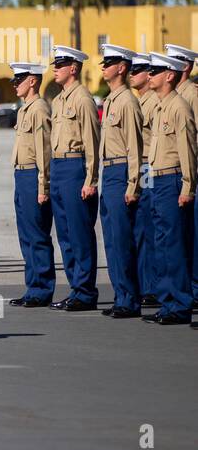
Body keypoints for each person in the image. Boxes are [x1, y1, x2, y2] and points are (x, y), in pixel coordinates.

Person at [142, 52, 195, 325]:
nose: (150, 75)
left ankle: (180, 304)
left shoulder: (179, 107)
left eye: (156, 71)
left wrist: (188, 186)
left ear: (170, 75)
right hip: (157, 179)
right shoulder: (162, 106)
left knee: (173, 244)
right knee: (161, 243)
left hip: (173, 180)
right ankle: (167, 302)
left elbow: (187, 151)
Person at [48, 45, 101, 311]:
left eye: (60, 64)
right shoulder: (58, 101)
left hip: (74, 167)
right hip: (58, 167)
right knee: (65, 234)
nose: (55, 68)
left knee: (80, 233)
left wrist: (91, 179)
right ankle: (75, 288)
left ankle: (85, 291)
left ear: (74, 67)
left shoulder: (82, 98)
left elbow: (92, 142)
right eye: (54, 64)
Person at [98, 45, 144, 317]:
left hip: (122, 171)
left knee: (123, 239)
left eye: (109, 62)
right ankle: (121, 295)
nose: (104, 66)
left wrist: (133, 183)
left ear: (122, 67)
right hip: (109, 172)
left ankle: (130, 299)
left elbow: (135, 148)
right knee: (112, 240)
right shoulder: (112, 100)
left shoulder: (127, 101)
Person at [8, 63, 55, 308]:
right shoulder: (24, 110)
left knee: (37, 235)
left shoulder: (38, 109)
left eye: (20, 79)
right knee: (26, 236)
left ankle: (42, 288)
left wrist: (43, 186)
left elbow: (44, 151)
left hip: (33, 176)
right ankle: (32, 286)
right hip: (21, 175)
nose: (15, 84)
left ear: (33, 81)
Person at [163, 44, 198, 304]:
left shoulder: (191, 96)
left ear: (184, 67)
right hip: (176, 171)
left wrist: (190, 181)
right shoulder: (173, 97)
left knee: (190, 234)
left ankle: (193, 289)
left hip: (188, 171)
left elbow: (191, 141)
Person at [129, 53, 160, 304]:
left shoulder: (152, 102)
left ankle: (152, 286)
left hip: (148, 167)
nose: (132, 75)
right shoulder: (139, 101)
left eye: (137, 70)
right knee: (139, 227)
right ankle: (144, 283)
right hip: (139, 168)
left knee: (149, 227)